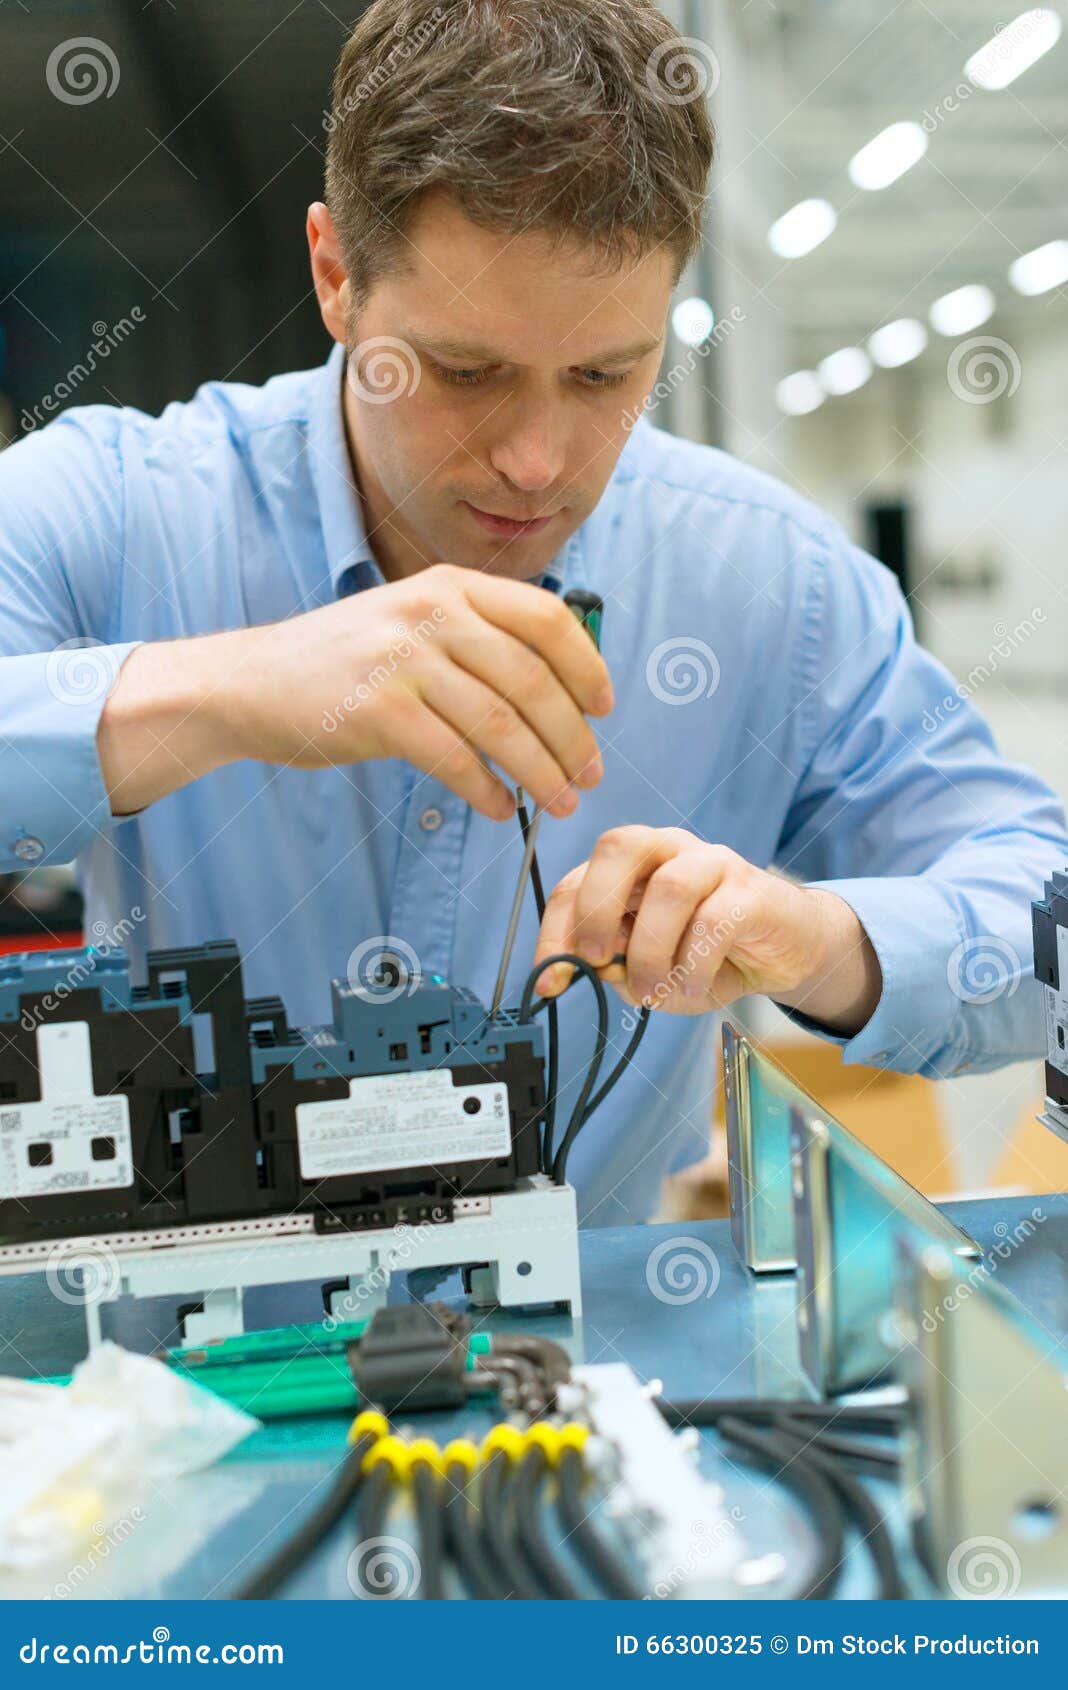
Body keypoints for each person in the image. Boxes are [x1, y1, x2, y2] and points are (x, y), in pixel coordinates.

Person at [1, 0, 1064, 1225]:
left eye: (606, 374)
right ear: (336, 276)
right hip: (188, 1342)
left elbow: (1042, 915)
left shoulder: (773, 582)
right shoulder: (117, 507)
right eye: (467, 372)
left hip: (595, 1334)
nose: (537, 461)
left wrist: (823, 939)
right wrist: (222, 691)